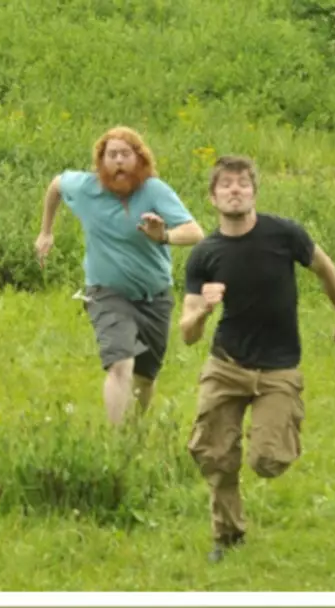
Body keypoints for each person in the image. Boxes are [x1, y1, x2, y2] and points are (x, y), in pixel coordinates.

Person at [179, 155, 335, 562]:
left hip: (278, 366)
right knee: (214, 455)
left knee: (268, 460)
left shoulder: (285, 234)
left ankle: (282, 425)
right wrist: (203, 312)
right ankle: (227, 535)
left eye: (242, 183)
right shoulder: (204, 254)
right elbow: (187, 333)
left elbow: (325, 269)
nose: (235, 189)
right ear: (213, 197)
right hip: (226, 365)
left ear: (254, 192)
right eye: (225, 184)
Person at [34, 126, 204, 424]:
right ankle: (115, 445)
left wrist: (162, 235)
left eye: (126, 154)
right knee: (120, 365)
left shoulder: (154, 191)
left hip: (155, 296)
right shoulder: (86, 188)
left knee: (145, 378)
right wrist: (45, 232)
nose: (119, 161)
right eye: (111, 155)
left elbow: (195, 232)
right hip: (106, 292)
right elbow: (57, 184)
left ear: (140, 159)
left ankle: (133, 435)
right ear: (101, 162)